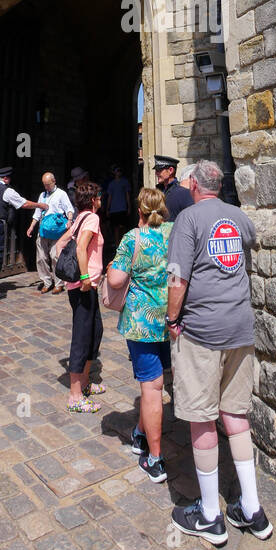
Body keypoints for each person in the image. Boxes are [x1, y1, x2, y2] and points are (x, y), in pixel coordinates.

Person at [166, 159, 272, 544]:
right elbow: (244, 251)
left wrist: (172, 319)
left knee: (202, 418)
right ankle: (252, 508)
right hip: (240, 327)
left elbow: (178, 278)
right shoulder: (238, 217)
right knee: (236, 415)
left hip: (203, 330)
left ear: (194, 184)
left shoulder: (189, 220)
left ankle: (211, 514)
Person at [106, 187, 173, 482]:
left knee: (151, 387)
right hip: (169, 316)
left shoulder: (133, 238)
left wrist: (112, 267)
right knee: (157, 383)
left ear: (140, 210)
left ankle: (154, 458)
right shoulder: (172, 233)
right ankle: (139, 432)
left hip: (141, 321)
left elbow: (117, 279)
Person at [59, 179, 105, 413]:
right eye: (99, 195)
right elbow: (79, 248)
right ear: (93, 199)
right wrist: (84, 277)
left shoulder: (79, 218)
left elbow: (59, 245)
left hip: (84, 286)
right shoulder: (92, 218)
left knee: (95, 331)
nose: (101, 199)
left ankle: (85, 382)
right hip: (83, 286)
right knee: (82, 336)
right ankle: (75, 395)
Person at [0, 166, 46, 301]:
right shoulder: (7, 190)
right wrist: (40, 205)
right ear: (5, 179)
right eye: (9, 178)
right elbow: (24, 204)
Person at [25, 172, 74, 292]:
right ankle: (46, 281)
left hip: (56, 230)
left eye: (48, 184)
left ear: (54, 181)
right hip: (43, 230)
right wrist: (31, 226)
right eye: (44, 185)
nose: (46, 187)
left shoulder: (61, 194)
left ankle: (59, 283)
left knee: (55, 256)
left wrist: (70, 220)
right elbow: (37, 213)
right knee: (41, 258)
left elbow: (69, 208)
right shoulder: (42, 195)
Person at [154, 154, 193, 220]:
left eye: (159, 170)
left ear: (170, 170)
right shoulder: (158, 191)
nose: (156, 173)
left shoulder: (182, 193)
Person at [105, 165, 132, 248]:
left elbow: (127, 195)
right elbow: (109, 197)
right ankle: (117, 245)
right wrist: (108, 209)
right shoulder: (111, 184)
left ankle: (123, 244)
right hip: (114, 209)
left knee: (123, 227)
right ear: (114, 172)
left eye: (120, 170)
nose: (119, 172)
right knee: (116, 228)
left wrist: (129, 207)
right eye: (117, 170)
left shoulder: (125, 182)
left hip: (123, 207)